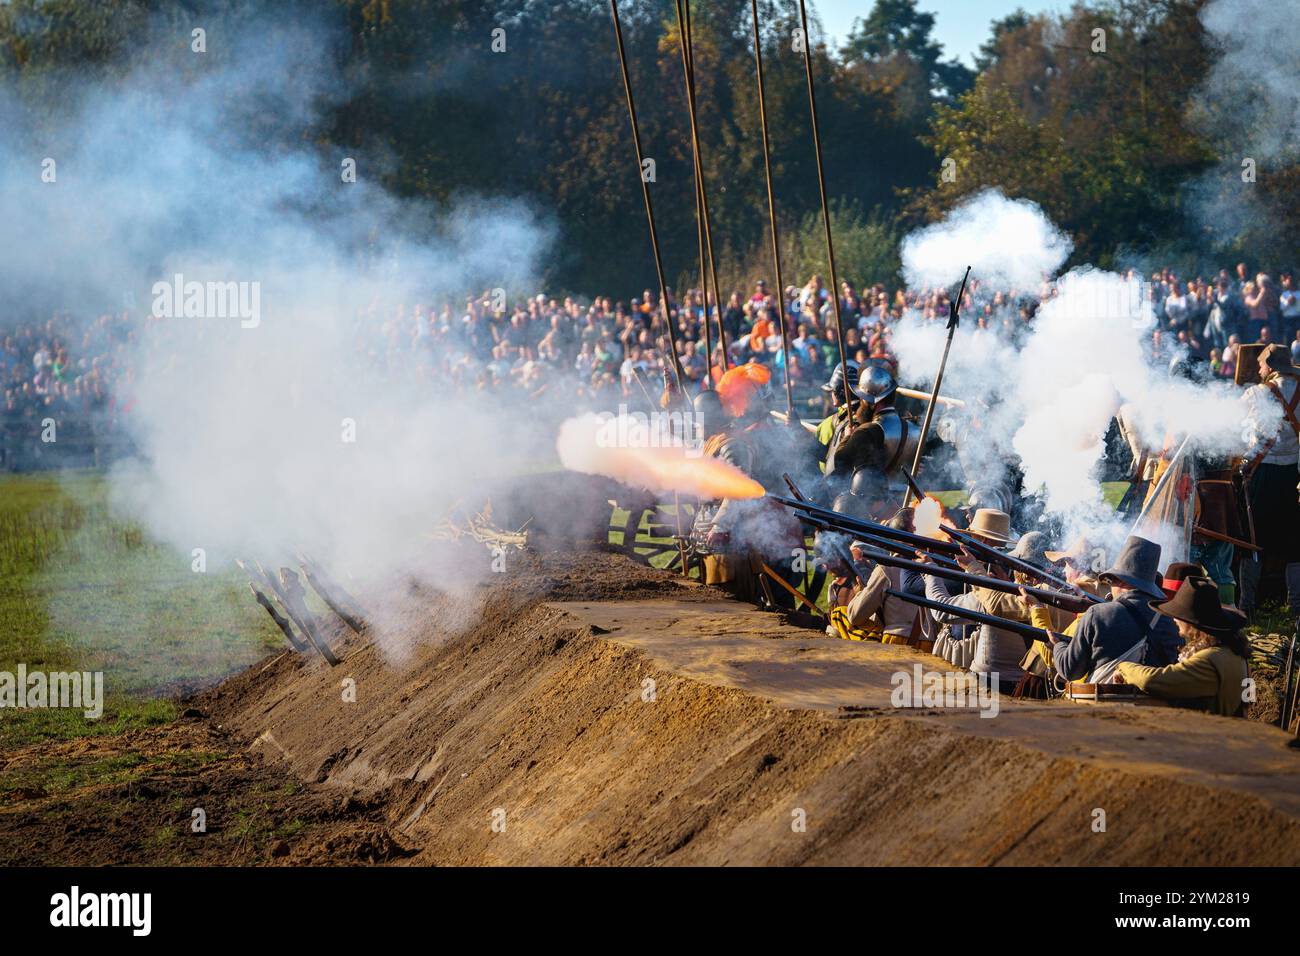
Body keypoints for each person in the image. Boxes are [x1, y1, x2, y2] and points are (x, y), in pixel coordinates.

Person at [1048, 535, 1182, 685]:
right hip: (1155, 704)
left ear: (1121, 580)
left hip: (1103, 703)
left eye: (1112, 580)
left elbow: (1070, 670)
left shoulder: (1096, 614)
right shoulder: (1171, 621)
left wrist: (1058, 645)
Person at [1115, 576, 1250, 717]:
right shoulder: (1236, 655)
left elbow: (1154, 680)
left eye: (1179, 615)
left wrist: (1124, 667)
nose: (1174, 618)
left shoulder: (1208, 660)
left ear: (1191, 622)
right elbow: (1249, 698)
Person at [1241, 344, 1300, 616]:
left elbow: (1244, 432)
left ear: (1271, 366)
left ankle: (1248, 605)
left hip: (1263, 471)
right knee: (1291, 540)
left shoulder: (1256, 394)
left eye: (1263, 365)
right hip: (1293, 472)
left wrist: (1243, 464)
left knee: (1252, 538)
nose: (1260, 369)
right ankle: (1295, 606)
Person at [826, 508, 923, 645]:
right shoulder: (938, 566)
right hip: (930, 644)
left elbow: (855, 616)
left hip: (898, 643)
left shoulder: (886, 570)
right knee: (917, 667)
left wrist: (860, 593)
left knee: (839, 615)